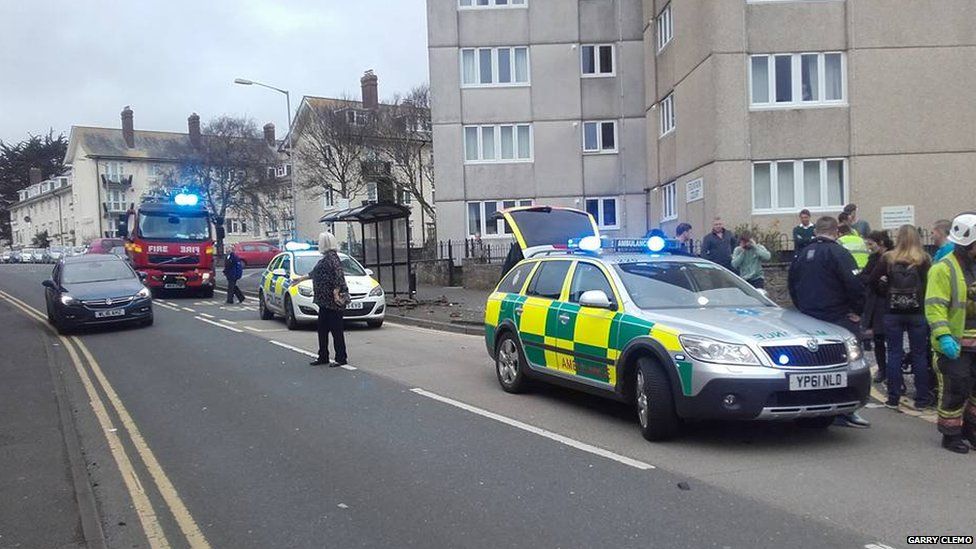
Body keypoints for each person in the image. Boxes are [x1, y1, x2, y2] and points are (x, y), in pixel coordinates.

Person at [788, 216, 870, 428]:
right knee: (844, 365)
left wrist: (802, 308)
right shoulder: (839, 253)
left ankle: (811, 406)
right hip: (838, 318)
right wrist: (858, 311)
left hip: (808, 318)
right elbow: (855, 285)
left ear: (816, 231)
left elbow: (792, 284)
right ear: (836, 232)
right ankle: (845, 411)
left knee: (809, 368)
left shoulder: (802, 254)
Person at [925, 213, 976, 454]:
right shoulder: (942, 269)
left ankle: (971, 430)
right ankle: (951, 434)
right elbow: (934, 306)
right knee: (956, 389)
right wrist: (944, 336)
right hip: (955, 342)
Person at [871, 225, 932, 410]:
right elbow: (929, 284)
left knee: (894, 354)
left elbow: (872, 280)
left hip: (893, 311)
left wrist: (884, 291)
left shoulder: (888, 258)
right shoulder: (924, 260)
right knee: (919, 355)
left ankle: (893, 397)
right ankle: (922, 398)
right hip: (917, 312)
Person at [293, 232, 349, 367]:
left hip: (331, 301)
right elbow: (315, 273)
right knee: (323, 329)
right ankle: (323, 355)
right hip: (325, 300)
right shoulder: (328, 258)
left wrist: (336, 292)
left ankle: (340, 357)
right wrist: (300, 279)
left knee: (335, 330)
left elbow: (338, 276)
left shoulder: (331, 258)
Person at [861, 230, 893, 383]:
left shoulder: (893, 257)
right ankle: (882, 369)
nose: (869, 247)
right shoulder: (873, 258)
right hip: (876, 302)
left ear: (881, 242)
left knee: (892, 340)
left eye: (871, 244)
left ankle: (893, 372)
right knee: (878, 339)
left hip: (890, 301)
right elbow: (864, 276)